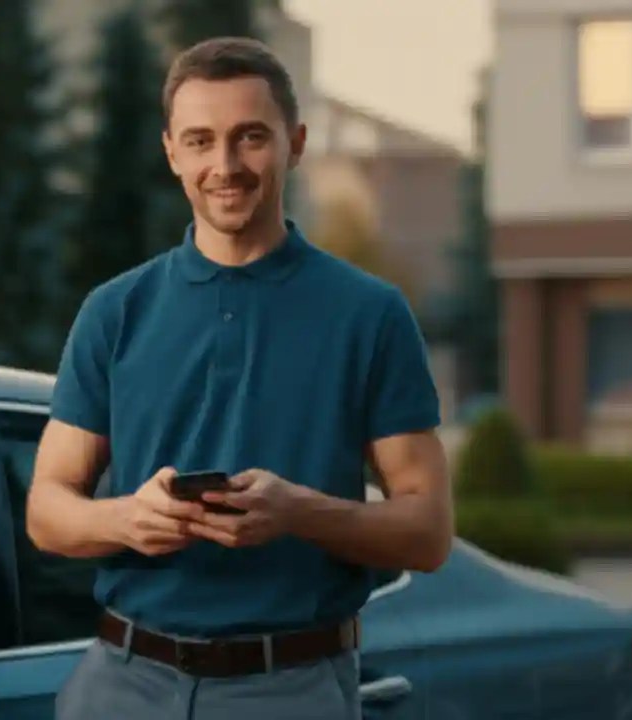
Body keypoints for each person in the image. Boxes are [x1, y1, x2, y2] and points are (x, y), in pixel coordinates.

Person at [26, 36, 453, 720]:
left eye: (250, 137)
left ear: (296, 142)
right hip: (121, 683)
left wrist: (298, 512)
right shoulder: (115, 310)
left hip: (288, 686)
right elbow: (47, 512)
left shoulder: (368, 315)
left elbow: (428, 531)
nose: (223, 165)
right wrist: (130, 518)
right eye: (200, 141)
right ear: (172, 152)